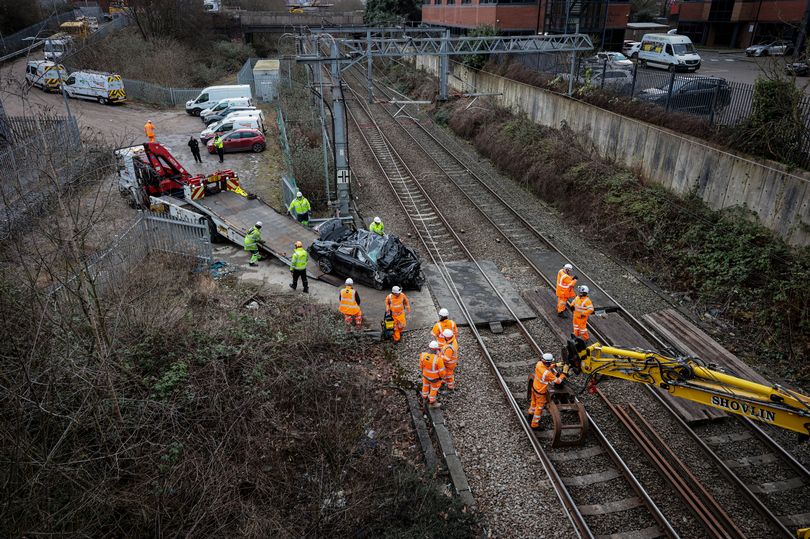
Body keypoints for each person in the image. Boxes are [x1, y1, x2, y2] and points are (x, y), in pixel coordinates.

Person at [528, 353, 567, 428]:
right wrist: (564, 374)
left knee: (533, 402)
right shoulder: (548, 374)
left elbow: (546, 367)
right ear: (548, 362)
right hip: (541, 392)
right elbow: (558, 381)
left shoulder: (539, 364)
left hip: (535, 387)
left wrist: (556, 365)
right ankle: (534, 425)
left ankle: (530, 415)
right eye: (551, 362)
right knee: (539, 408)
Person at [420, 341, 446, 405]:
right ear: (436, 349)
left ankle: (424, 396)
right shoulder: (438, 359)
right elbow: (442, 372)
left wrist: (423, 372)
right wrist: (442, 377)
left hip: (425, 376)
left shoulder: (423, 355)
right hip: (434, 379)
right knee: (434, 389)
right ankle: (432, 400)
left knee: (425, 385)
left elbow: (421, 366)